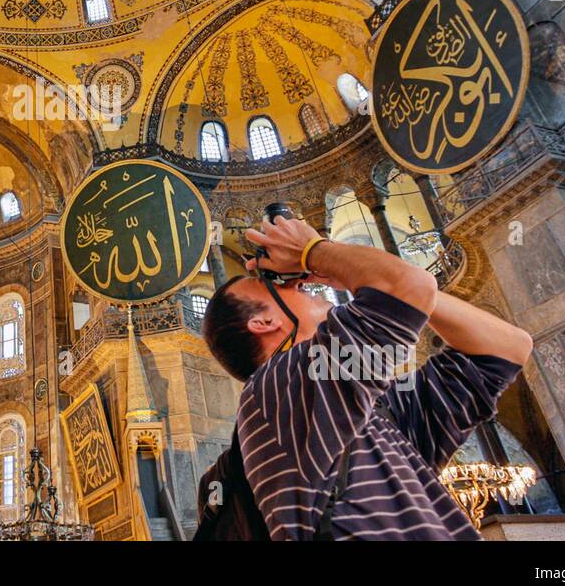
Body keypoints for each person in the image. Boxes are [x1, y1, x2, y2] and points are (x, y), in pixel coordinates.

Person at [196, 213, 532, 540]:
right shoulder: (274, 387)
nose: (298, 279)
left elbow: (506, 347)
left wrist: (342, 268)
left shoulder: (375, 411)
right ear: (263, 323)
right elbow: (407, 286)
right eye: (270, 283)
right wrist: (315, 252)